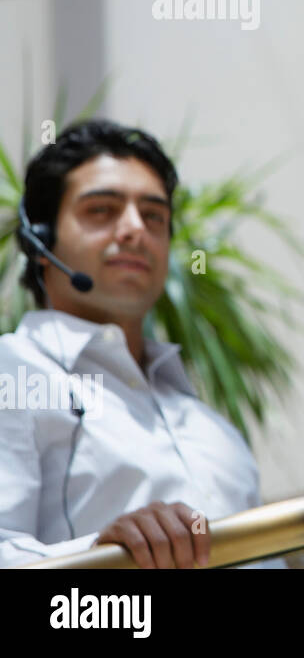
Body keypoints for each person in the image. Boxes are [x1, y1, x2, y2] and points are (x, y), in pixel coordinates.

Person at [0, 120, 259, 568]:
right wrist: (102, 557)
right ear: (40, 241)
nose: (134, 229)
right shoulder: (15, 371)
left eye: (154, 216)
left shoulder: (209, 424)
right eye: (102, 210)